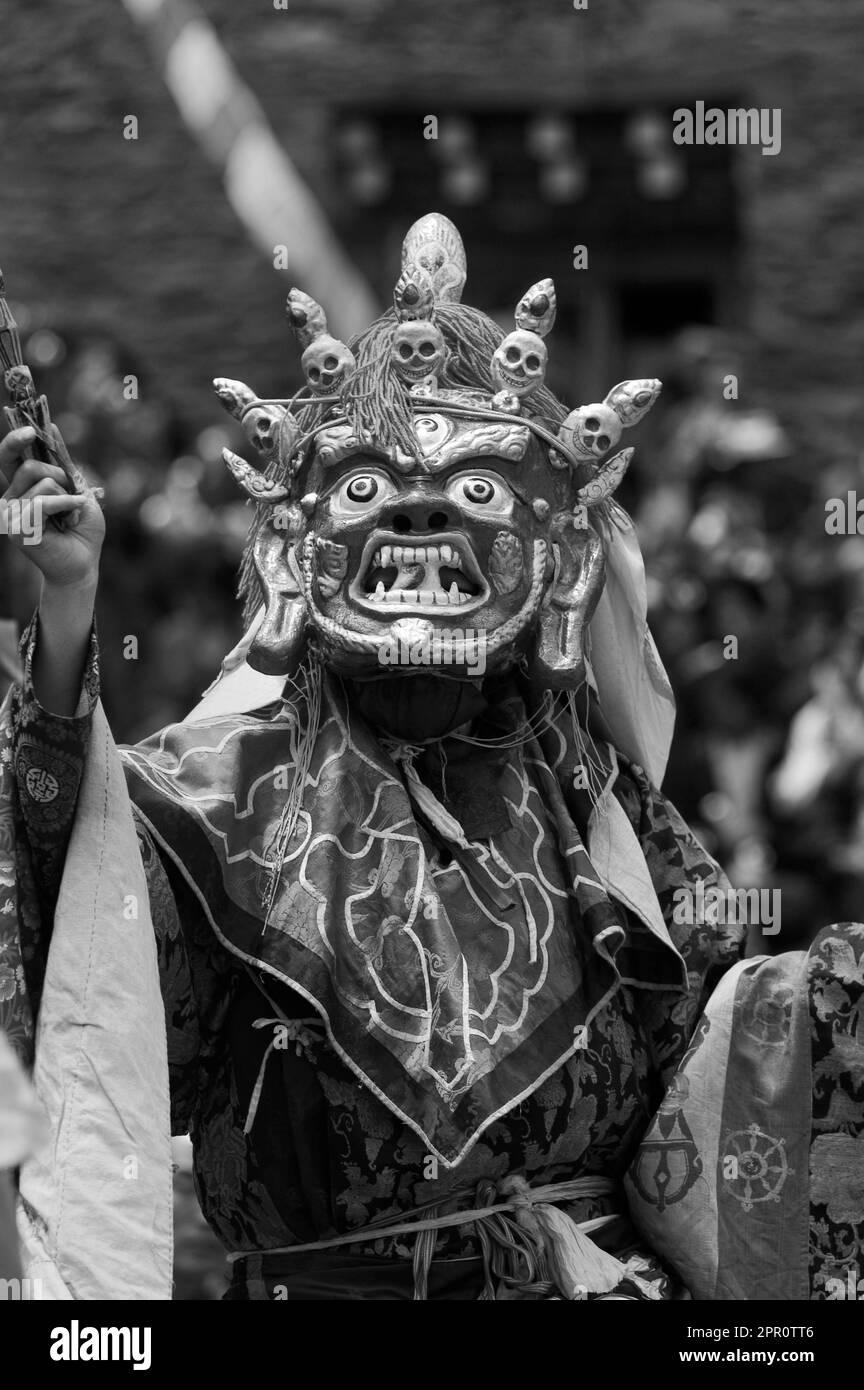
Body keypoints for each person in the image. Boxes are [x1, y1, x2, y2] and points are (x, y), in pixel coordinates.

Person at [0, 215, 860, 1301]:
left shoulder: (591, 793)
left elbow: (728, 1049)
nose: (417, 516)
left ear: (557, 560)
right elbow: (76, 954)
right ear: (293, 547)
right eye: (364, 489)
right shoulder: (210, 800)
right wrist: (65, 610)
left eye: (479, 492)